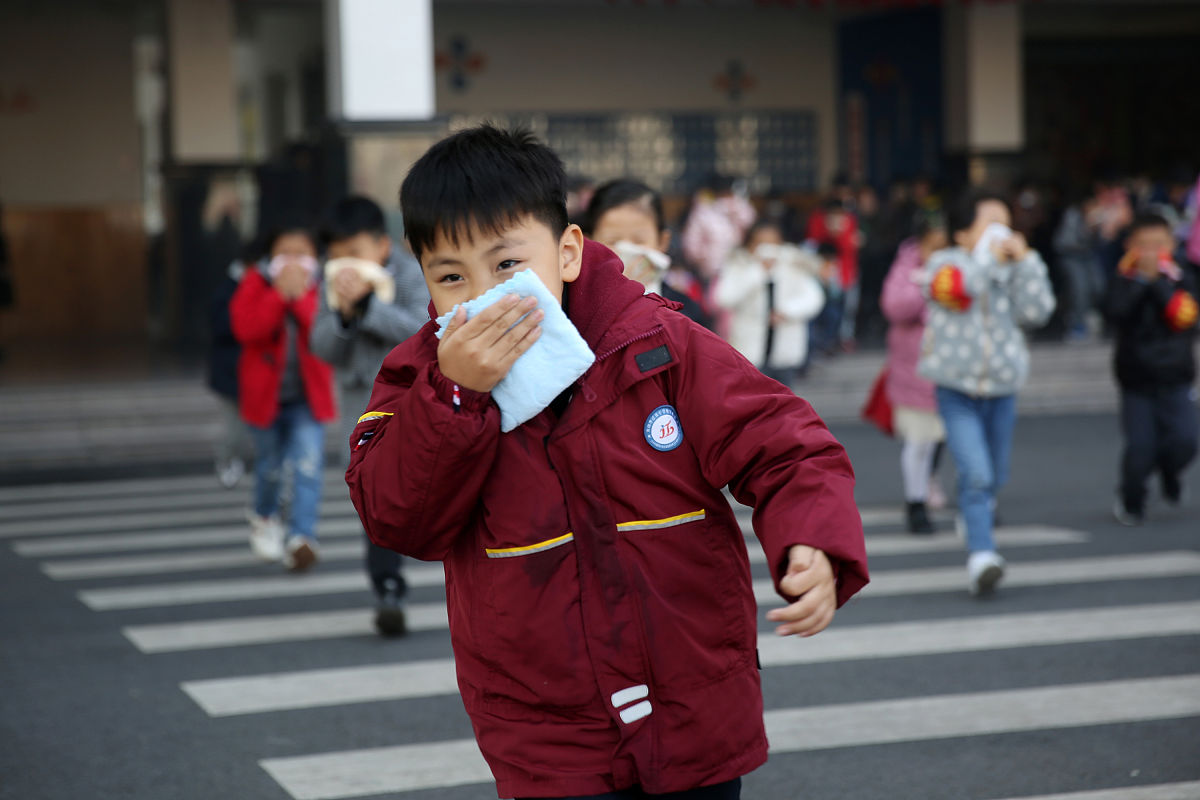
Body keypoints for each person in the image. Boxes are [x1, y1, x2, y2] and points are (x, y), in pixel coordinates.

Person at [346, 125, 869, 800]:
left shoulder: (657, 342)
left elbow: (785, 442)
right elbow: (395, 517)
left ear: (568, 252)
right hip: (546, 731)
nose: (485, 295)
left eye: (509, 266)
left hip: (693, 706)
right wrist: (455, 395)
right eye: (452, 276)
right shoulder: (421, 375)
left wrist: (812, 540)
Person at [918, 190, 1056, 596]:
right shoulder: (944, 264)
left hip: (1002, 388)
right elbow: (958, 289)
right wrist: (990, 261)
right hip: (955, 388)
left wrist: (1027, 262)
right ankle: (982, 556)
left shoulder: (1014, 267)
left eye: (1005, 223)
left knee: (994, 473)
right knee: (975, 473)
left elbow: (1039, 311)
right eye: (988, 223)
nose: (1000, 232)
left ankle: (974, 512)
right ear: (961, 234)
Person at [309, 196, 429, 635]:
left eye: (354, 253)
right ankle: (388, 590)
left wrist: (366, 309)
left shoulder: (412, 274)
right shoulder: (331, 287)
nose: (345, 264)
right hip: (364, 411)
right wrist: (342, 316)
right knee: (375, 502)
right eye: (335, 255)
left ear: (382, 246)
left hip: (417, 406)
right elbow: (321, 346)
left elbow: (422, 330)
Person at [231, 225, 335, 572]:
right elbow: (247, 330)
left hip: (308, 399)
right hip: (266, 399)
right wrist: (278, 295)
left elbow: (324, 333)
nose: (293, 261)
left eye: (301, 252)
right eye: (284, 252)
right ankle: (265, 517)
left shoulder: (322, 285)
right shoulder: (254, 282)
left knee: (308, 465)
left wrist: (300, 296)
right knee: (270, 467)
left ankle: (301, 537)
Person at [1106, 213, 1199, 525]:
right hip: (1136, 379)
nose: (1151, 252)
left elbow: (1189, 318)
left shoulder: (1182, 276)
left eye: (1159, 244)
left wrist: (1159, 283)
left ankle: (1170, 472)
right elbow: (1116, 313)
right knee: (1140, 448)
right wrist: (1142, 282)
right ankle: (1132, 500)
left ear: (1172, 244)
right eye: (1143, 245)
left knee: (1186, 441)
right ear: (1130, 246)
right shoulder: (1122, 278)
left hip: (1175, 375)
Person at [881, 215, 949, 534]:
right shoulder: (907, 267)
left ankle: (978, 500)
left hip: (954, 367)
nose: (936, 250)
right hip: (916, 370)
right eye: (931, 244)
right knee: (919, 441)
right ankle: (916, 503)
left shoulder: (961, 266)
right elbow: (893, 307)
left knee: (945, 439)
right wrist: (925, 288)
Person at [583, 179, 709, 327]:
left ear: (662, 242)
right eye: (613, 241)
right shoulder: (577, 309)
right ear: (588, 242)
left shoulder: (685, 310)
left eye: (638, 241)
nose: (626, 249)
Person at [711, 220, 824, 386]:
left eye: (772, 244)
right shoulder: (739, 264)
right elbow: (723, 298)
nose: (767, 250)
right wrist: (757, 272)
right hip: (749, 352)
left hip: (785, 351)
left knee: (785, 402)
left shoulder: (792, 264)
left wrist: (787, 311)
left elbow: (814, 298)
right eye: (760, 244)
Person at [206, 255, 253, 488]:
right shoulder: (228, 290)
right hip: (230, 372)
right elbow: (223, 327)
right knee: (233, 424)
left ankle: (241, 461)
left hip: (249, 371)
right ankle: (228, 461)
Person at [805, 197, 860, 350]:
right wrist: (828, 230)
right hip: (821, 273)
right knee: (822, 308)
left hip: (844, 273)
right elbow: (813, 243)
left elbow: (849, 248)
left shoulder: (849, 221)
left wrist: (839, 233)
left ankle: (839, 338)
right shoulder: (818, 219)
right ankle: (820, 342)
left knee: (844, 309)